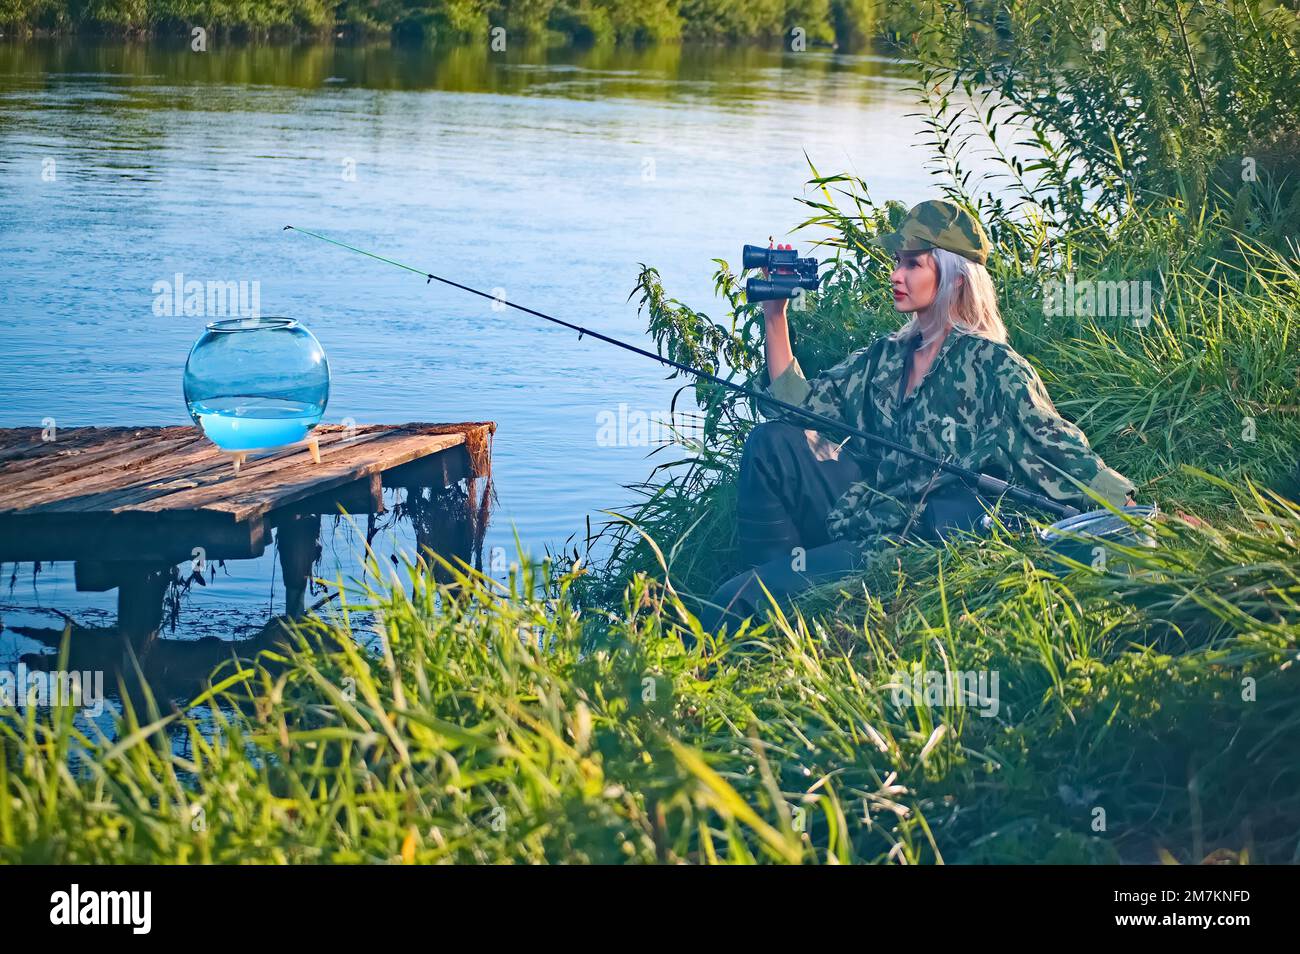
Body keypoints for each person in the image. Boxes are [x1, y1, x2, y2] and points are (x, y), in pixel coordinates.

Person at [698, 200, 1136, 632]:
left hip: (909, 544)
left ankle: (769, 604)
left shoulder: (995, 366)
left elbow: (1060, 448)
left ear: (955, 277)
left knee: (728, 603)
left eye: (912, 265)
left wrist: (1135, 513)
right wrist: (775, 314)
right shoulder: (887, 356)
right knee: (771, 442)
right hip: (866, 513)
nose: (895, 275)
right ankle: (782, 606)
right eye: (897, 262)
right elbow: (794, 409)